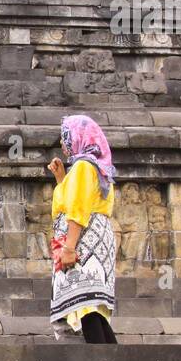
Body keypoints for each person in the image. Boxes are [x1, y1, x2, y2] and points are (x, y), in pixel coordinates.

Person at [47, 115, 118, 344]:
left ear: (76, 137)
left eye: (65, 137)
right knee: (91, 309)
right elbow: (77, 199)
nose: (62, 143)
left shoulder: (82, 167)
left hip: (84, 242)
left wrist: (69, 247)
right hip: (98, 240)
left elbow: (77, 210)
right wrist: (62, 180)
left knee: (84, 305)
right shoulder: (96, 167)